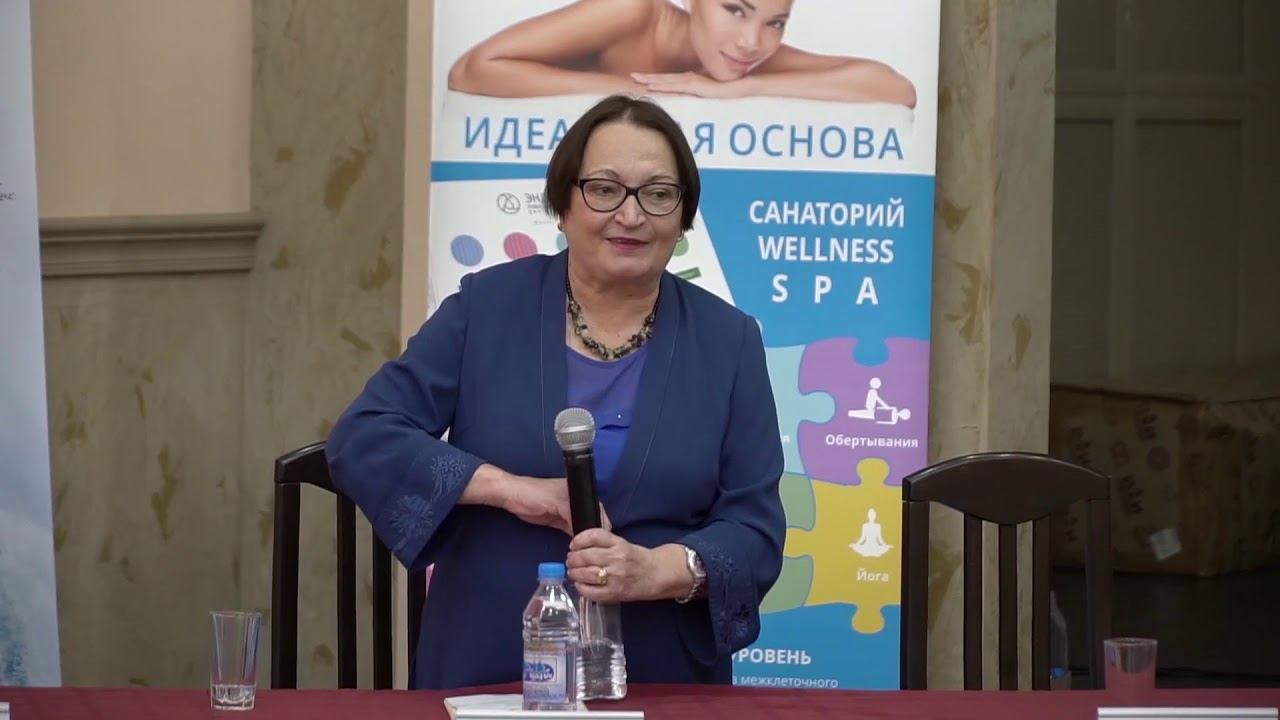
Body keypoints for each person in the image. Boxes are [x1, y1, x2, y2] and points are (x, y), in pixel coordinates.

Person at [326, 94, 786, 689]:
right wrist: (513, 490)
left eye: (657, 194)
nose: (630, 215)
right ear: (562, 205)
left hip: (661, 669)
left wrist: (656, 571)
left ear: (682, 218)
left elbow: (755, 529)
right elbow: (364, 436)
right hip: (489, 660)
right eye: (604, 189)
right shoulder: (485, 309)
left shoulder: (729, 340)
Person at [447, 0, 917, 107]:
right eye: (735, 9)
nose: (751, 41)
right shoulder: (631, 11)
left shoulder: (741, 60)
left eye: (775, 23)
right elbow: (473, 69)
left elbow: (896, 89)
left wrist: (743, 89)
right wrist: (642, 90)